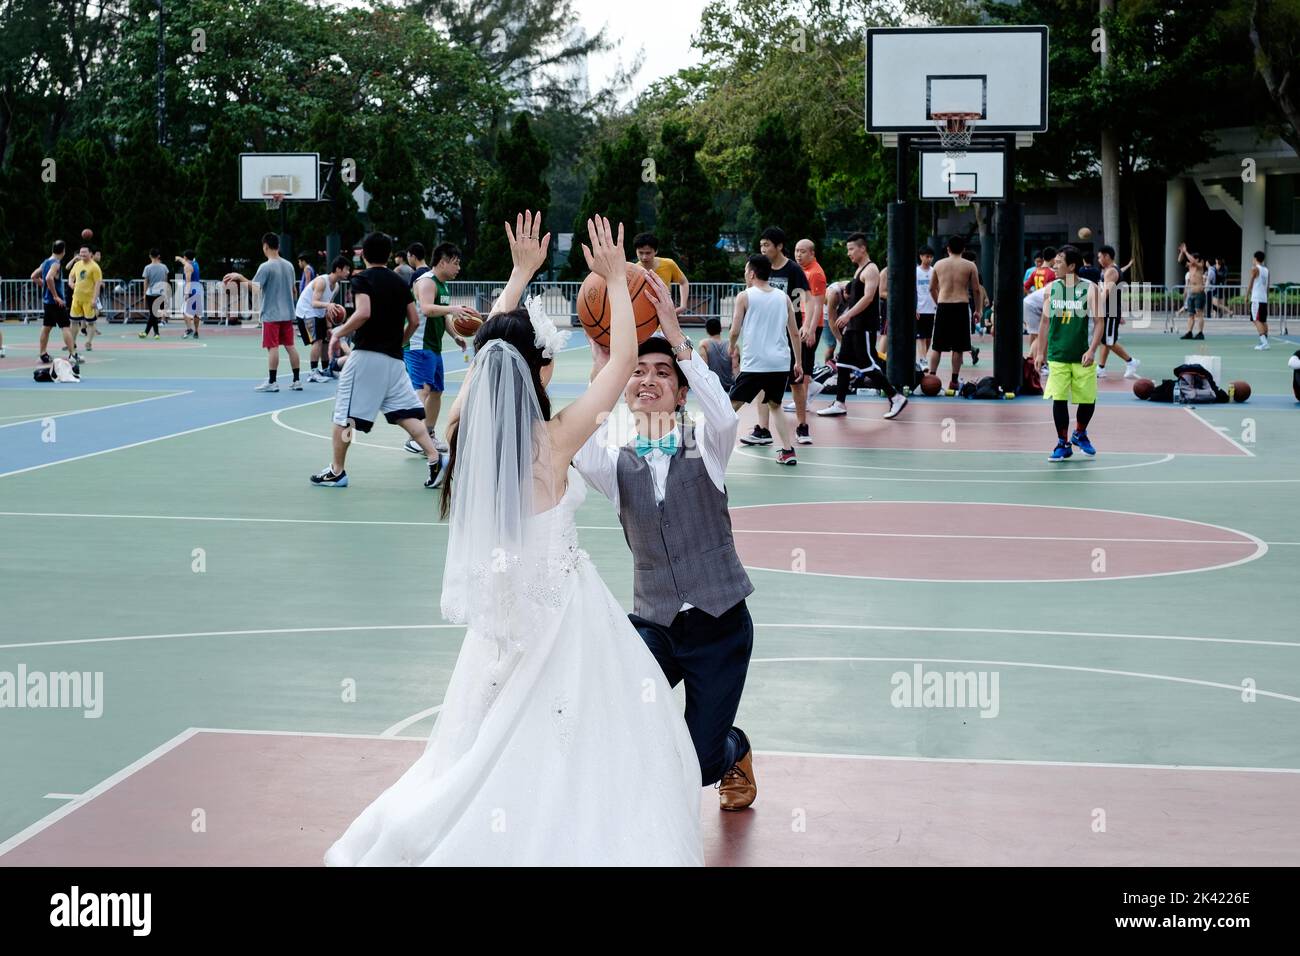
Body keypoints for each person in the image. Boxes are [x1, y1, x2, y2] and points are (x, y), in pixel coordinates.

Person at [325, 213, 703, 866]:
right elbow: (615, 367)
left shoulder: (471, 427)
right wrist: (616, 281)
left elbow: (489, 354)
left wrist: (519, 276)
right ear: (539, 372)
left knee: (486, 744)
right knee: (597, 739)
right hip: (563, 617)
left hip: (502, 624)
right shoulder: (551, 443)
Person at [579, 266, 759, 813]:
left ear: (680, 392)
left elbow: (725, 412)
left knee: (700, 763)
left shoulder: (707, 444)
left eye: (662, 372)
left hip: (720, 624)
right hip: (654, 623)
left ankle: (733, 750)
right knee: (620, 707)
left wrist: (678, 342)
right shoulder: (614, 465)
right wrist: (603, 358)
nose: (648, 380)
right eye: (637, 372)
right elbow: (580, 436)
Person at [309, 232, 442, 489]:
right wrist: (399, 342)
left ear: (364, 255)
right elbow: (414, 321)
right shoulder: (401, 283)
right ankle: (435, 459)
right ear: (389, 254)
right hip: (394, 360)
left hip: (367, 356)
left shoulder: (363, 279)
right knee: (404, 414)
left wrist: (338, 333)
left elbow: (363, 313)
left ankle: (337, 471)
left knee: (344, 415)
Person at [816, 233, 907, 420]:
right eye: (847, 249)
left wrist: (848, 314)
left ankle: (895, 396)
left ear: (862, 248)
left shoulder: (871, 270)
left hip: (864, 326)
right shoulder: (859, 270)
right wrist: (847, 314)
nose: (848, 253)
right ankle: (839, 403)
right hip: (854, 325)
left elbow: (868, 297)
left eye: (851, 249)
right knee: (842, 362)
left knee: (866, 363)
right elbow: (856, 298)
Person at [1031, 245, 1104, 462]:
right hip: (1057, 354)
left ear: (1072, 266)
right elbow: (1044, 322)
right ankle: (1062, 443)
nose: (1055, 264)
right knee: (1059, 399)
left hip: (1082, 354)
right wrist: (1039, 353)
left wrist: (1092, 350)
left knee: (1088, 399)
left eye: (1060, 261)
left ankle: (1079, 433)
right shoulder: (1051, 289)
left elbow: (1100, 322)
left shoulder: (1090, 289)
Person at [729, 254, 802, 465]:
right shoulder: (784, 297)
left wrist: (732, 346)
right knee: (775, 405)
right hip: (780, 362)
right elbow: (794, 333)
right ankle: (788, 451)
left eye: (745, 271)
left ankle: (706, 445)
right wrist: (798, 362)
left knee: (730, 406)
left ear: (751, 273)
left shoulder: (745, 296)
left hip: (755, 363)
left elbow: (735, 329)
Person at [403, 242, 474, 455]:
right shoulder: (426, 282)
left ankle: (428, 434)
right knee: (423, 390)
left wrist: (455, 336)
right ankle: (413, 438)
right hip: (418, 346)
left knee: (436, 392)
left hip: (433, 347)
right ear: (442, 262)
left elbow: (442, 315)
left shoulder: (443, 285)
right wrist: (454, 308)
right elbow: (426, 309)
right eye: (455, 263)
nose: (458, 267)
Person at [744, 227, 809, 447]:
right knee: (764, 385)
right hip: (765, 338)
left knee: (796, 381)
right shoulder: (759, 270)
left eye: (766, 245)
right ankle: (763, 430)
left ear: (779, 246)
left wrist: (806, 325)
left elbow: (804, 300)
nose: (763, 249)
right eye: (761, 245)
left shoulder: (793, 270)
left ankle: (802, 425)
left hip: (789, 335)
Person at [224, 233, 302, 391]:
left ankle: (272, 382)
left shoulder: (265, 266)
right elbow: (294, 290)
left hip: (271, 313)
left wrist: (240, 278)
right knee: (290, 345)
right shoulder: (289, 266)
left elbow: (256, 288)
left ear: (265, 246)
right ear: (278, 246)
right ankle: (297, 380)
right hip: (287, 313)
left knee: (272, 347)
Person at [928, 235, 982, 392]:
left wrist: (939, 302)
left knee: (937, 345)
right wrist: (978, 310)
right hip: (960, 306)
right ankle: (954, 381)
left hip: (943, 305)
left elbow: (931, 288)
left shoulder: (938, 264)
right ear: (964, 249)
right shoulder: (970, 265)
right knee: (958, 347)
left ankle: (932, 376)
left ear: (948, 249)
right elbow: (977, 290)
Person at [298, 256, 351, 382]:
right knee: (318, 341)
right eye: (346, 269)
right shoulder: (322, 281)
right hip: (306, 312)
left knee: (326, 340)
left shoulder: (336, 286)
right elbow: (314, 302)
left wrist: (328, 327)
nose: (348, 272)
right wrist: (328, 305)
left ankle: (327, 369)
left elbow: (329, 308)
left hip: (319, 313)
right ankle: (313, 372)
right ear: (338, 269)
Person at [1094, 245, 1141, 379]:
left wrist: (1098, 307)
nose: (1099, 260)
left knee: (1109, 341)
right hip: (1111, 310)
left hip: (1110, 311)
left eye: (1099, 257)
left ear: (1106, 256)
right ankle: (1101, 368)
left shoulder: (1111, 271)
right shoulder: (1112, 270)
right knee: (1105, 340)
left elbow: (1107, 291)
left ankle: (1131, 361)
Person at [35, 240, 76, 364]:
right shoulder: (56, 263)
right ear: (63, 251)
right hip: (55, 302)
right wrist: (56, 296)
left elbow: (34, 276)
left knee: (46, 327)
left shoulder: (45, 262)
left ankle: (43, 353)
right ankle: (72, 355)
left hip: (47, 302)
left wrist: (45, 287)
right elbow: (48, 277)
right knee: (65, 327)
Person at [632, 232, 689, 313]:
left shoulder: (668, 264)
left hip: (665, 312)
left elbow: (684, 282)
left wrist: (683, 305)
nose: (644, 257)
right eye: (640, 253)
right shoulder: (633, 270)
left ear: (656, 251)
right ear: (636, 251)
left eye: (648, 253)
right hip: (641, 314)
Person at [67, 244, 102, 353]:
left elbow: (97, 284)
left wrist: (94, 299)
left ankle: (89, 342)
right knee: (73, 322)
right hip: (76, 298)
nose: (82, 254)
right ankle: (73, 342)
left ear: (90, 254)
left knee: (90, 323)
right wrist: (70, 282)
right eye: (81, 252)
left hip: (88, 299)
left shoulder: (95, 267)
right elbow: (71, 275)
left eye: (84, 252)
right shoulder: (77, 264)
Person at [1178, 243, 1207, 340]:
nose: (1190, 260)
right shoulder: (1190, 266)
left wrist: (1186, 251)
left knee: (1199, 313)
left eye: (1194, 258)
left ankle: (1200, 332)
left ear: (1197, 259)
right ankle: (1189, 332)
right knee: (1191, 314)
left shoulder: (1200, 265)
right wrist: (1182, 252)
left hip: (1199, 293)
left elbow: (1193, 261)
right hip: (1191, 293)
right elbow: (1180, 261)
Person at [698, 317, 734, 391]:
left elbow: (704, 366)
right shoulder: (731, 345)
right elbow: (735, 367)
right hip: (729, 385)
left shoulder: (704, 344)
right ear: (721, 329)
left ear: (707, 331)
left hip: (713, 385)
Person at [140, 248, 169, 339]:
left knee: (153, 314)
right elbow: (165, 280)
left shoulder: (147, 268)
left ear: (150, 256)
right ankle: (155, 333)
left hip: (150, 293)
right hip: (160, 292)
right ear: (159, 256)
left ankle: (148, 332)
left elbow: (146, 281)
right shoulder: (164, 267)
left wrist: (144, 293)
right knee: (154, 314)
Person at [916, 246, 936, 369]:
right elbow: (912, 291)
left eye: (931, 257)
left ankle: (922, 358)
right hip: (919, 309)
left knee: (928, 338)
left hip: (931, 308)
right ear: (921, 257)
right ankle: (923, 360)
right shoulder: (916, 272)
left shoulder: (934, 271)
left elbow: (937, 289)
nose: (929, 259)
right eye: (926, 256)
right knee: (920, 337)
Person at [1247, 250, 1270, 350]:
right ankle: (1264, 341)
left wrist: (1246, 295)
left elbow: (1251, 283)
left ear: (1255, 258)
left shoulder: (1255, 269)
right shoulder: (1266, 270)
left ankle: (1264, 343)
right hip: (1263, 298)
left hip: (1256, 298)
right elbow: (1268, 286)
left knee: (1257, 320)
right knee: (1263, 320)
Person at [177, 251, 202, 339]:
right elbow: (186, 262)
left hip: (191, 290)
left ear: (185, 257)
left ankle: (189, 329)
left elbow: (188, 280)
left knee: (184, 311)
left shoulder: (187, 267)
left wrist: (187, 293)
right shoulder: (196, 264)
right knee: (196, 312)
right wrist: (180, 259)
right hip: (197, 289)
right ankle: (196, 331)